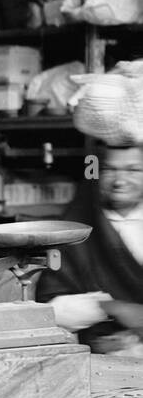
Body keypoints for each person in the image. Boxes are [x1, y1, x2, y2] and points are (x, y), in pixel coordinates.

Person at [36, 142, 143, 356]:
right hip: (108, 359)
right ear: (96, 173)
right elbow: (50, 310)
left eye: (133, 170)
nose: (120, 181)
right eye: (109, 170)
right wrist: (110, 308)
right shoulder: (78, 230)